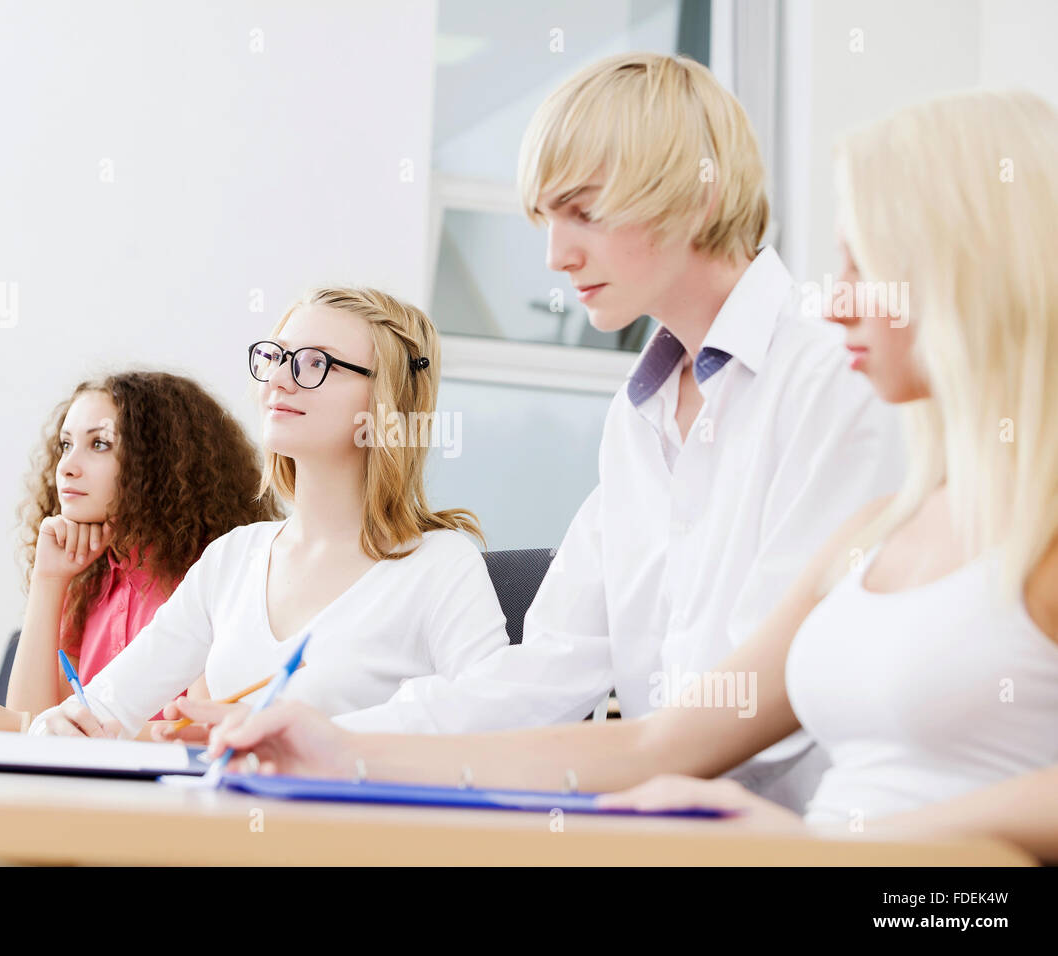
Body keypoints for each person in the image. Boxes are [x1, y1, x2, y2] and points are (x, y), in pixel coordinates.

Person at [180, 89, 1058, 865]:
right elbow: (601, 703)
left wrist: (819, 851)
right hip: (689, 825)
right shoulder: (664, 427)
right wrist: (336, 746)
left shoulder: (836, 373)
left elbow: (721, 746)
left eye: (584, 210)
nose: (556, 255)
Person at [29, 287, 511, 739]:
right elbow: (104, 709)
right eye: (276, 357)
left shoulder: (440, 565)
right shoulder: (234, 557)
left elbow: (498, 725)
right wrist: (53, 729)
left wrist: (326, 734)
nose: (278, 379)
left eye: (313, 364)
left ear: (385, 401)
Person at [0, 370, 277, 731]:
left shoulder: (207, 579)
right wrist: (48, 580)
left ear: (157, 463)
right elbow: (29, 727)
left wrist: (29, 726)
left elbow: (201, 735)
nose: (67, 467)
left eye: (99, 445)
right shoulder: (90, 580)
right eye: (66, 445)